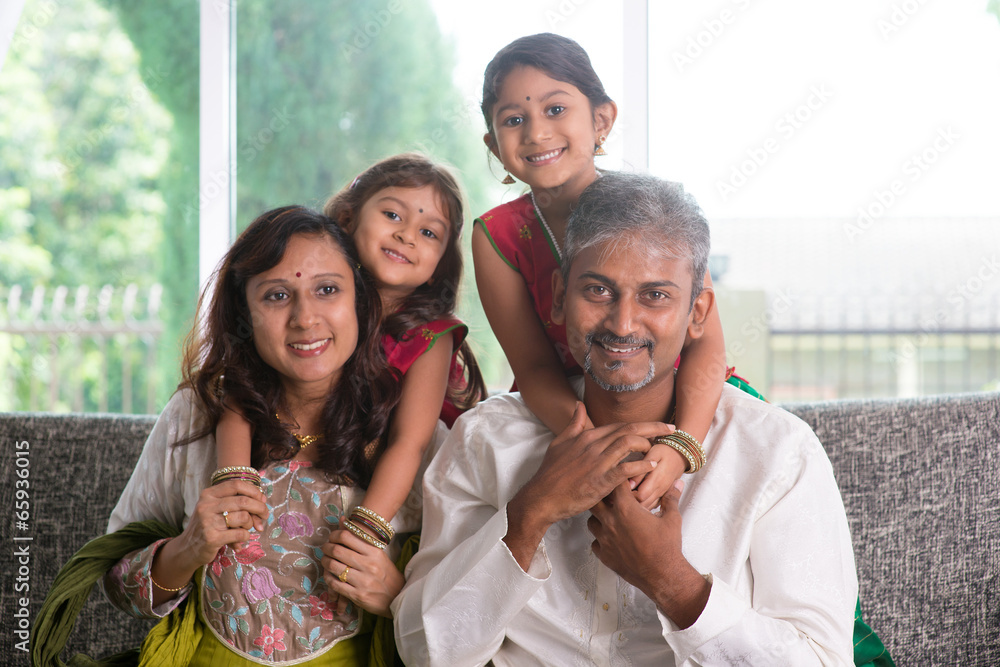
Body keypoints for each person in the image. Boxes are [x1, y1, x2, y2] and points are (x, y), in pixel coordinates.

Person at [393, 173, 860, 666]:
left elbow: (824, 661)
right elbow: (422, 651)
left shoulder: (776, 452)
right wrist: (531, 512)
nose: (622, 324)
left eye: (656, 296)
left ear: (696, 313)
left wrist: (673, 583)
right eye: (598, 291)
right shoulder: (486, 439)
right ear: (558, 296)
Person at [99, 206, 417, 663]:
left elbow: (465, 617)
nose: (305, 319)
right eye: (276, 296)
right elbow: (117, 587)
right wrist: (189, 548)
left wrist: (398, 596)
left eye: (327, 290)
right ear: (243, 311)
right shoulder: (195, 415)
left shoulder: (407, 432)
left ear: (360, 302)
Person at [472, 33, 745, 510]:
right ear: (495, 145)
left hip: (680, 401)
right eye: (514, 120)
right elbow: (533, 367)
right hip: (572, 410)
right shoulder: (497, 236)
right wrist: (604, 447)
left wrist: (682, 446)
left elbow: (706, 344)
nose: (536, 133)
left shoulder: (655, 211)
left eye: (555, 110)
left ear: (602, 120)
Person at [214, 154, 486, 599]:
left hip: (412, 477)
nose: (405, 234)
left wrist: (367, 527)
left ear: (442, 259)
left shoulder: (431, 336)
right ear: (347, 217)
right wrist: (235, 480)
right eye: (393, 214)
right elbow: (239, 390)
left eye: (429, 232)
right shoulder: (316, 316)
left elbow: (409, 443)